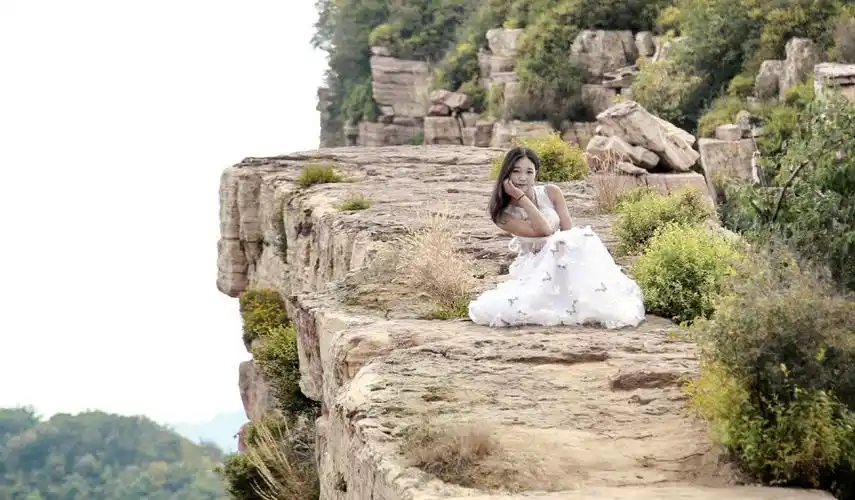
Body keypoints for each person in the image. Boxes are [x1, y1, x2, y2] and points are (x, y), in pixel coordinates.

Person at [468, 146, 646, 329]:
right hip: (536, 263)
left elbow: (569, 231)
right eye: (516, 171)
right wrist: (521, 197)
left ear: (536, 174)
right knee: (562, 244)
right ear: (506, 174)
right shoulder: (502, 215)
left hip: (565, 256)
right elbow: (544, 230)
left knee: (582, 237)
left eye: (529, 172)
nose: (522, 177)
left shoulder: (551, 192)